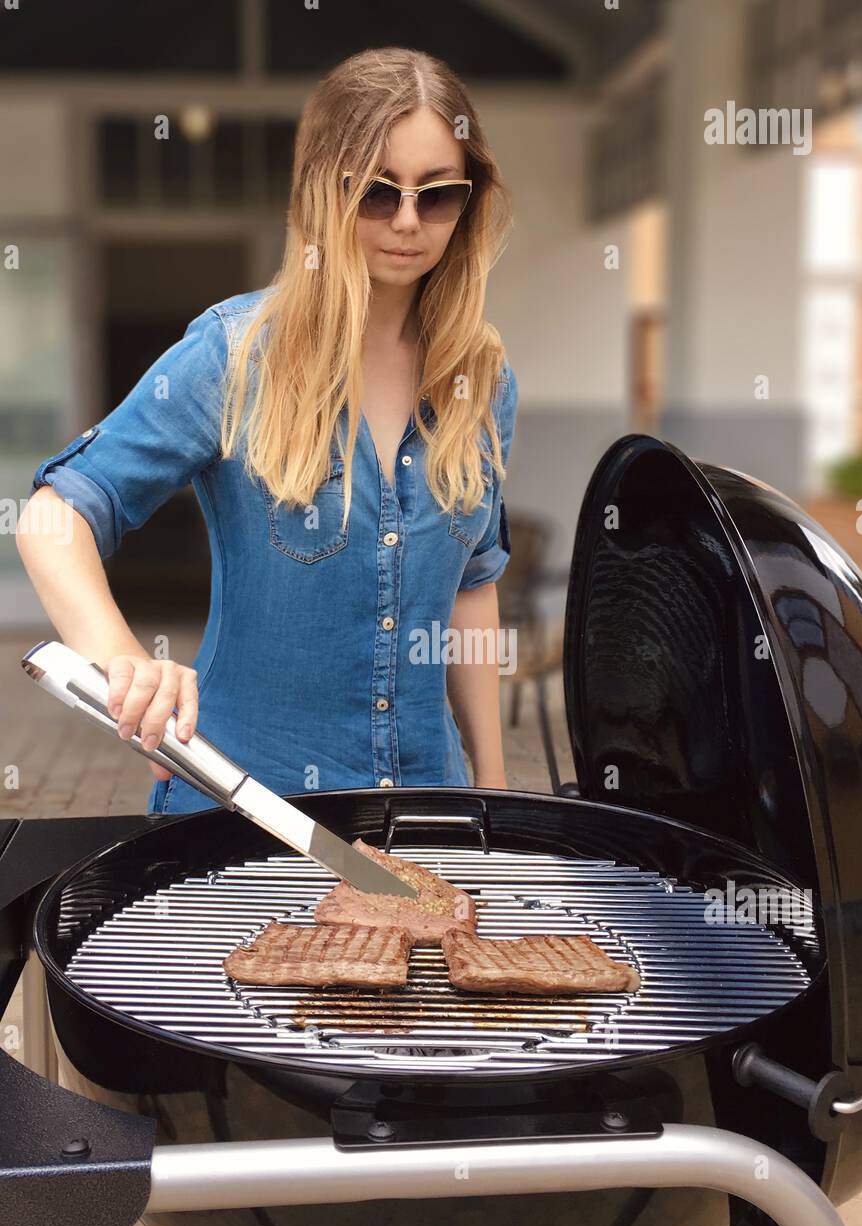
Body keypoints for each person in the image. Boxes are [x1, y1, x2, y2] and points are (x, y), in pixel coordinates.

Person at [17, 47, 519, 814]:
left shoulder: (481, 378)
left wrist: (493, 790)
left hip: (428, 810)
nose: (410, 221)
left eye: (438, 193)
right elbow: (55, 515)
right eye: (376, 193)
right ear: (322, 193)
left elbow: (472, 588)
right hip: (244, 811)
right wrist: (123, 662)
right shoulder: (233, 355)